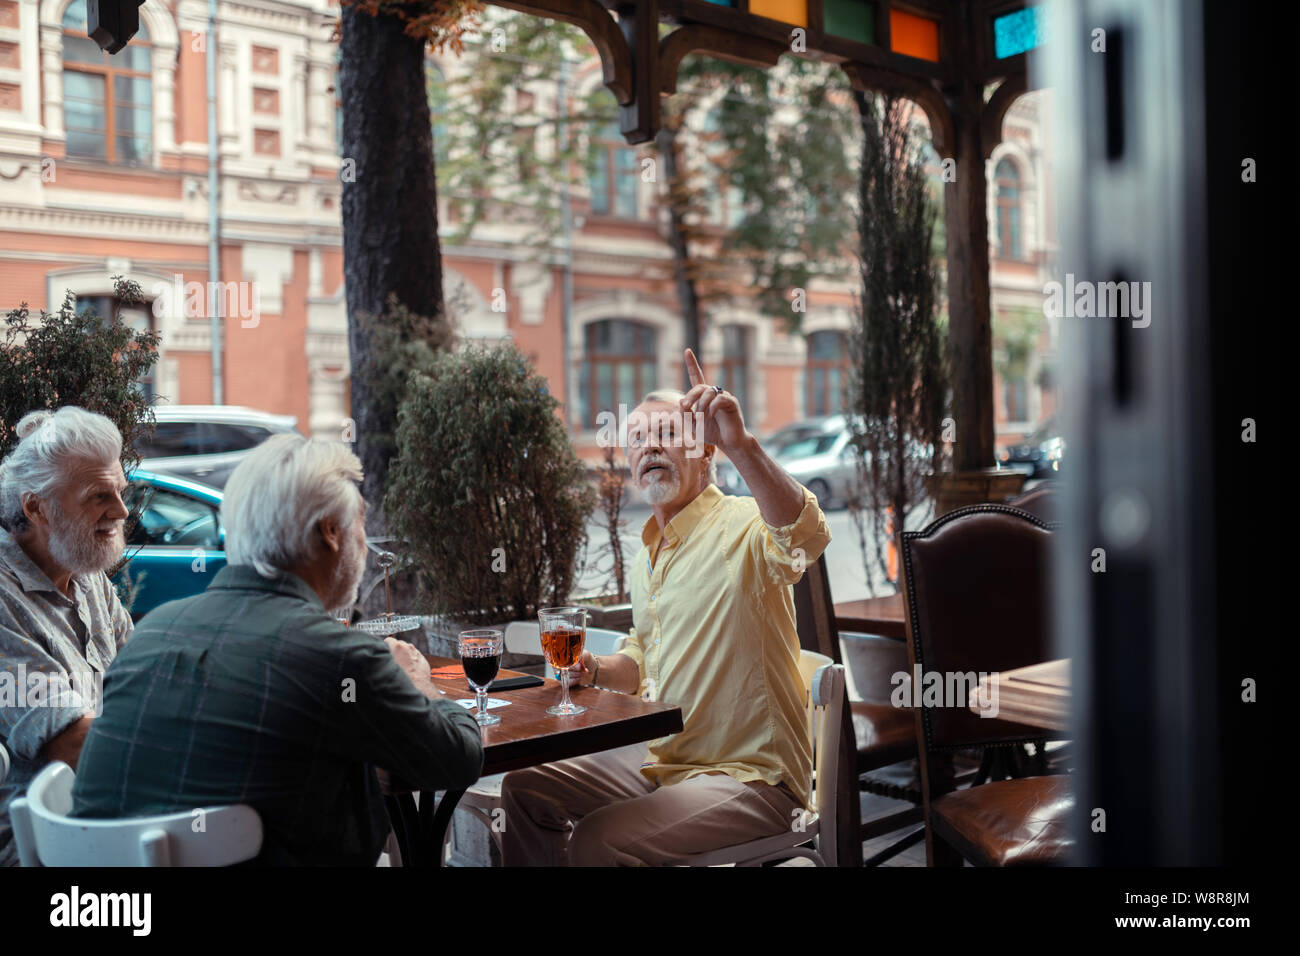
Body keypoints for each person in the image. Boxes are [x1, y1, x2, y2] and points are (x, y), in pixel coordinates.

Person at [71, 434, 484, 865]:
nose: (367, 542)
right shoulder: (341, 658)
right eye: (361, 523)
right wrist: (415, 682)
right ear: (330, 533)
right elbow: (459, 758)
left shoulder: (151, 632)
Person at [500, 349, 831, 866]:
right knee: (524, 789)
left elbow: (807, 537)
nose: (649, 445)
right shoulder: (648, 553)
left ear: (705, 452)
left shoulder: (743, 524)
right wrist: (595, 669)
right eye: (636, 439)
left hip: (750, 777)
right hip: (665, 763)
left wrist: (741, 444)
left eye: (669, 434)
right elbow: (643, 659)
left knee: (596, 840)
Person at [0, 407, 134, 866]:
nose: (121, 510)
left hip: (106, 818)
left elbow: (142, 678)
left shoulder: (83, 569)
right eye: (99, 497)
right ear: (35, 507)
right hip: (40, 846)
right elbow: (72, 745)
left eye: (120, 491)